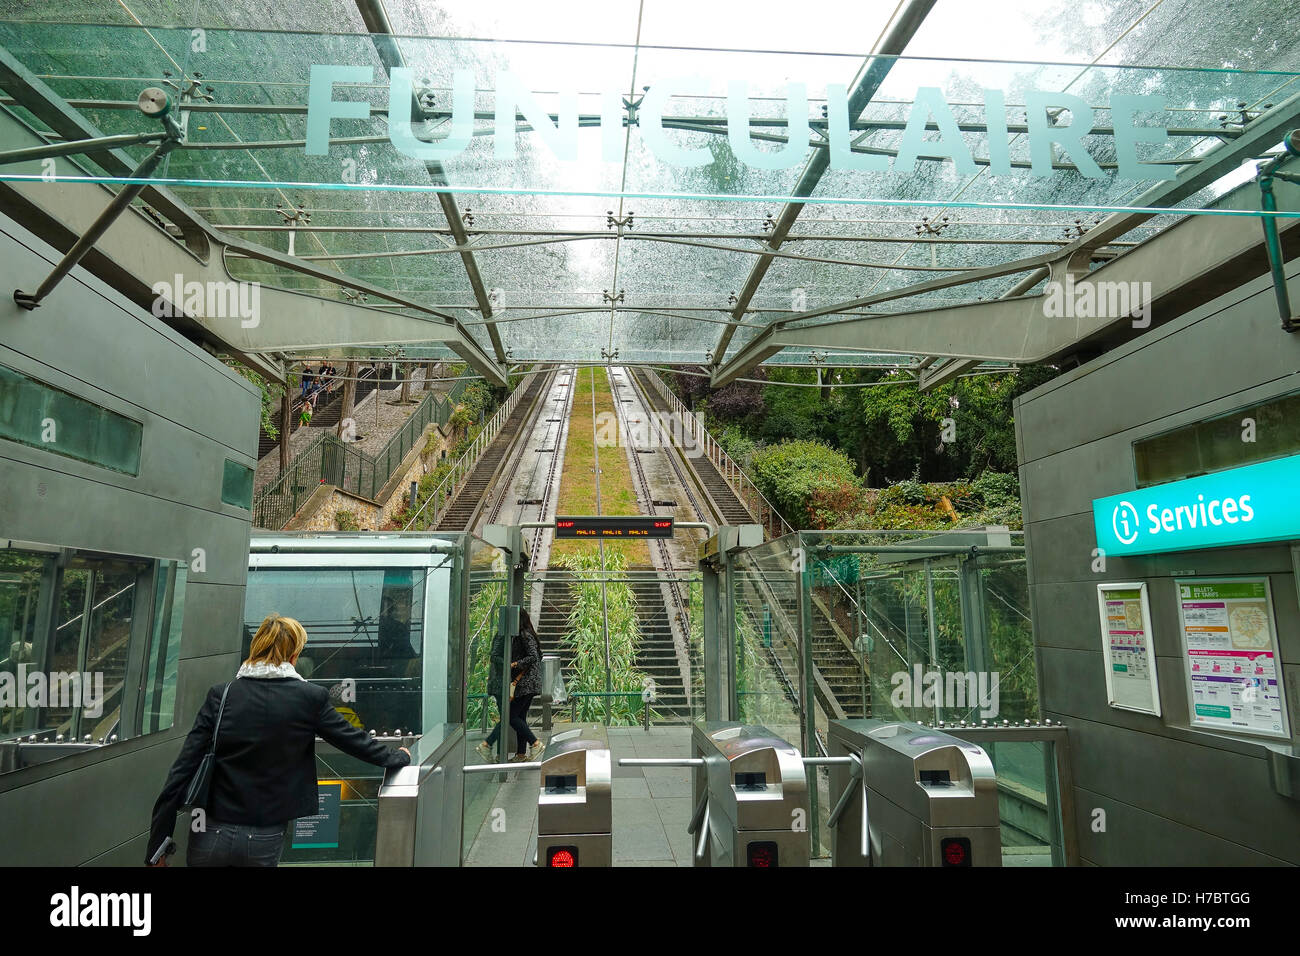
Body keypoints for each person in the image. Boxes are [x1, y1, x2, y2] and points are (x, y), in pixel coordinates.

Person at [145, 614, 410, 867]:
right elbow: (353, 741)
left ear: (255, 649)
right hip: (264, 836)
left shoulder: (221, 695)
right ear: (294, 656)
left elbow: (181, 771)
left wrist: (158, 848)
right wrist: (398, 757)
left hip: (210, 832)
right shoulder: (308, 697)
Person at [476, 610, 543, 763]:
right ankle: (520, 753)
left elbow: (534, 656)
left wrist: (514, 664)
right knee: (518, 717)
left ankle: (491, 745)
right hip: (521, 683)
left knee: (509, 717)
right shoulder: (514, 635)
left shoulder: (523, 635)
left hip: (525, 683)